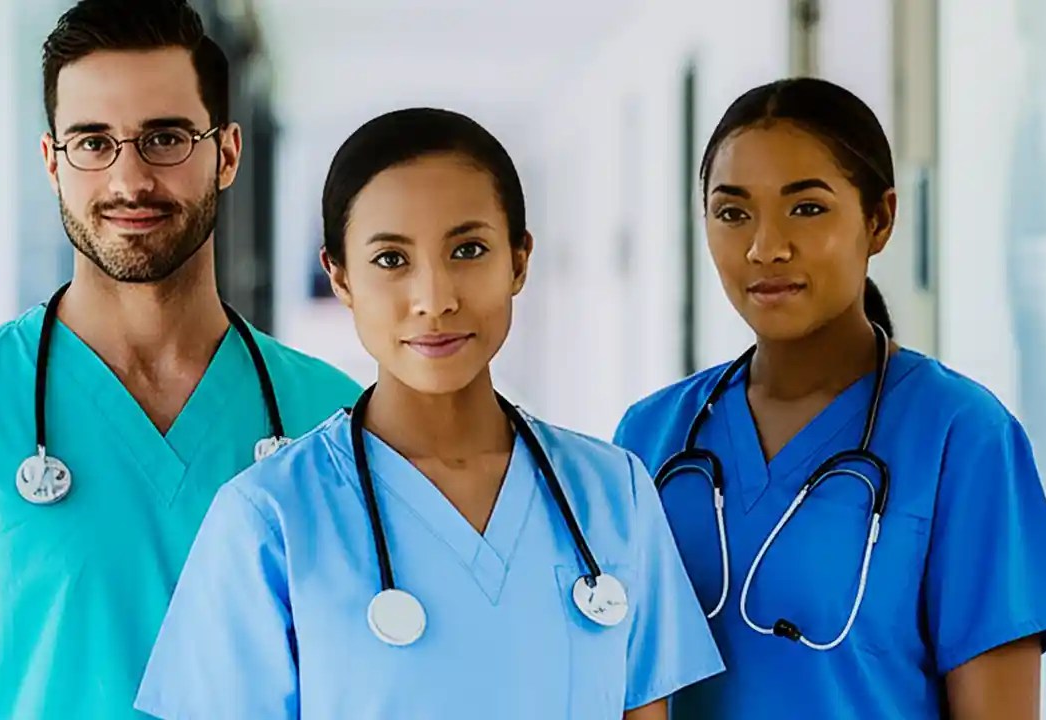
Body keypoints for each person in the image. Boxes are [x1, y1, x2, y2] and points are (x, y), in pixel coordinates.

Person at [0, 1, 360, 717]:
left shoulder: (338, 420)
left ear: (227, 153)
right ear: (52, 161)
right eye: (92, 141)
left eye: (165, 138)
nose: (128, 179)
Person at [132, 107, 724, 719]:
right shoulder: (269, 518)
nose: (435, 299)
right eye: (391, 259)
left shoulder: (612, 493)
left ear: (519, 260)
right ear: (339, 277)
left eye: (468, 250)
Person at [613, 77, 1046, 719]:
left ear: (880, 219)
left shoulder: (960, 436)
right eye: (733, 212)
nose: (764, 247)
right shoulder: (652, 439)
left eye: (806, 208)